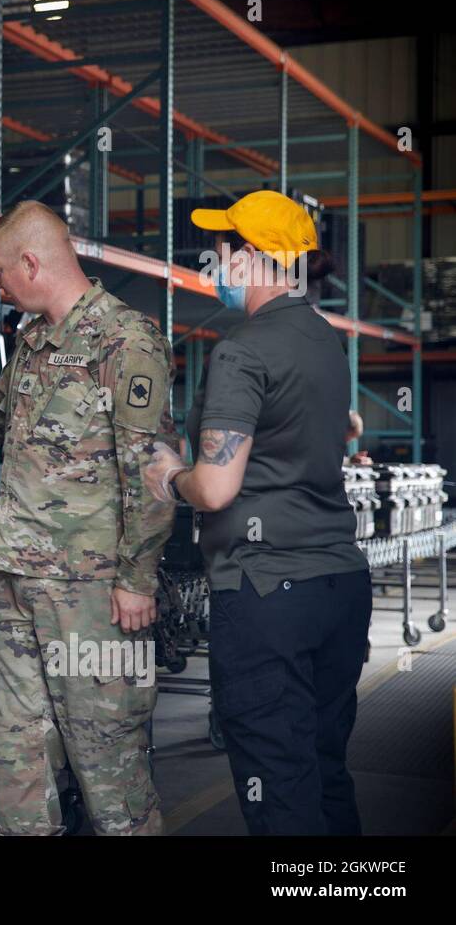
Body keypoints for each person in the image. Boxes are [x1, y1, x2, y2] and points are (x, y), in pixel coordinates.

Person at [0, 200, 177, 835]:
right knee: (14, 753)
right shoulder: (34, 340)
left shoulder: (127, 341)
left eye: (0, 272)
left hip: (92, 593)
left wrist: (138, 578)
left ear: (30, 261)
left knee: (107, 761)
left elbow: (152, 472)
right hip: (15, 576)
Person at [145, 189, 372, 835]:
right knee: (324, 770)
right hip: (339, 587)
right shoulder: (325, 341)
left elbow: (216, 488)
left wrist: (169, 477)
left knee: (279, 790)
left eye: (219, 253)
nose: (213, 265)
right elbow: (336, 430)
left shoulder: (242, 351)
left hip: (269, 594)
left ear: (247, 260)